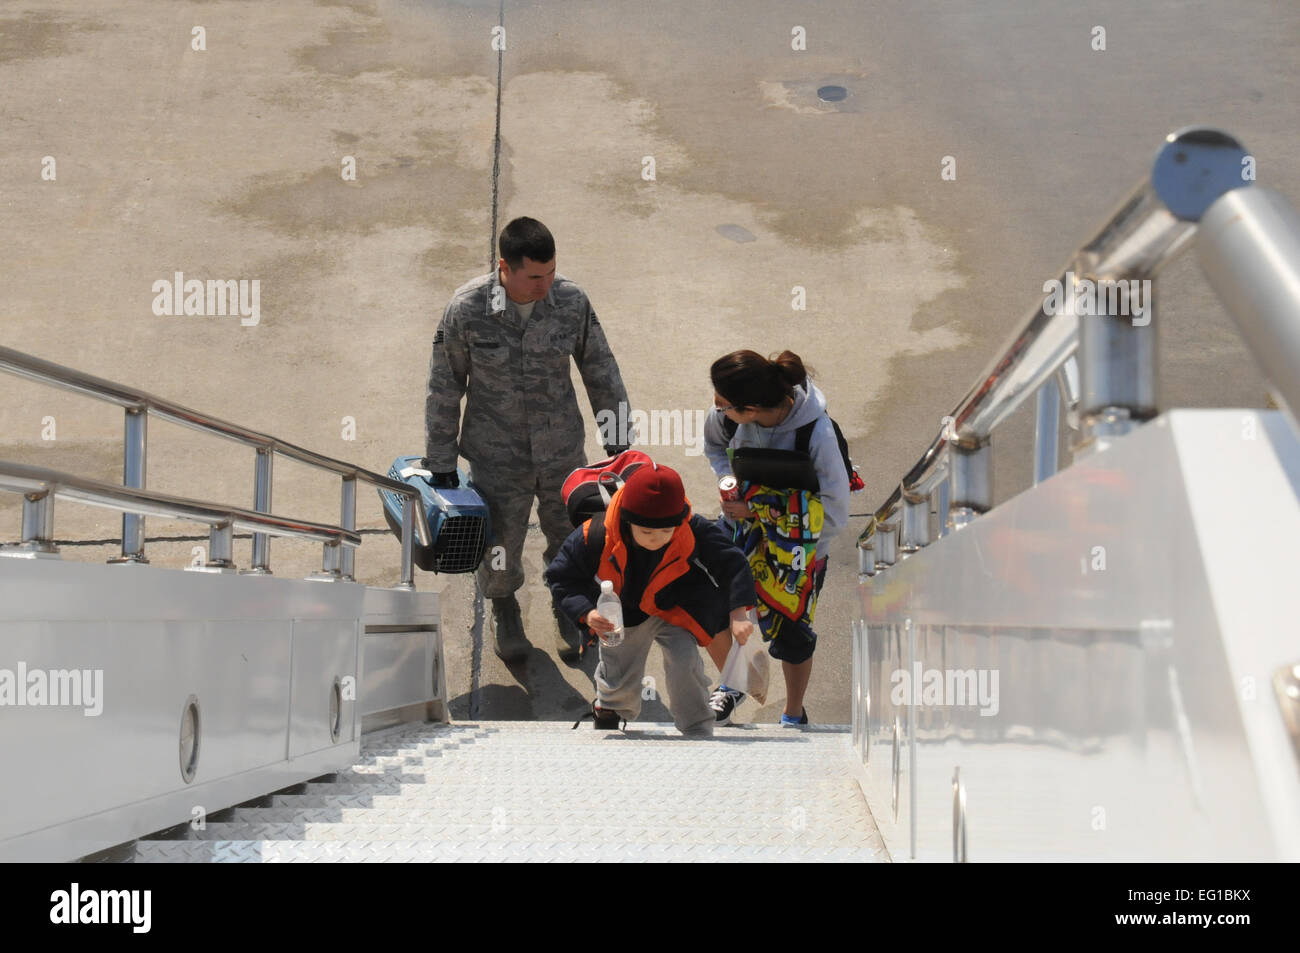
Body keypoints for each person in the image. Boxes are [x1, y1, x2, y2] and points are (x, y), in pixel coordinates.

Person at [423, 217, 631, 663]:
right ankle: (504, 608)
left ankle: (567, 603)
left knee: (570, 533)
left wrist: (618, 442)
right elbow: (444, 386)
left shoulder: (571, 302)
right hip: (497, 454)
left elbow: (601, 369)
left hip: (561, 449)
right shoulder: (466, 309)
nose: (545, 284)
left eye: (551, 272)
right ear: (505, 267)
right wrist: (441, 459)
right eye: (535, 276)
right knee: (501, 541)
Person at [545, 462, 756, 736]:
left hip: (676, 606)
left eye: (666, 532)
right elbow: (560, 577)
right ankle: (609, 711)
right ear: (627, 519)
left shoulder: (690, 527)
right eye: (646, 532)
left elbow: (733, 562)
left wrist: (738, 612)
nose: (657, 539)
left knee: (686, 663)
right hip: (624, 614)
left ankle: (697, 727)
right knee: (617, 672)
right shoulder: (595, 534)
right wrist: (587, 613)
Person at [702, 350, 850, 726]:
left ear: (750, 409)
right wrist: (727, 481)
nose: (716, 408)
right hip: (738, 533)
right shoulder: (727, 418)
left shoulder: (815, 432)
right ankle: (734, 683)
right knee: (717, 609)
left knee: (792, 632)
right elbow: (715, 448)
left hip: (802, 549)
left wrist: (765, 514)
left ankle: (793, 713)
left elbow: (834, 510)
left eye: (724, 404)